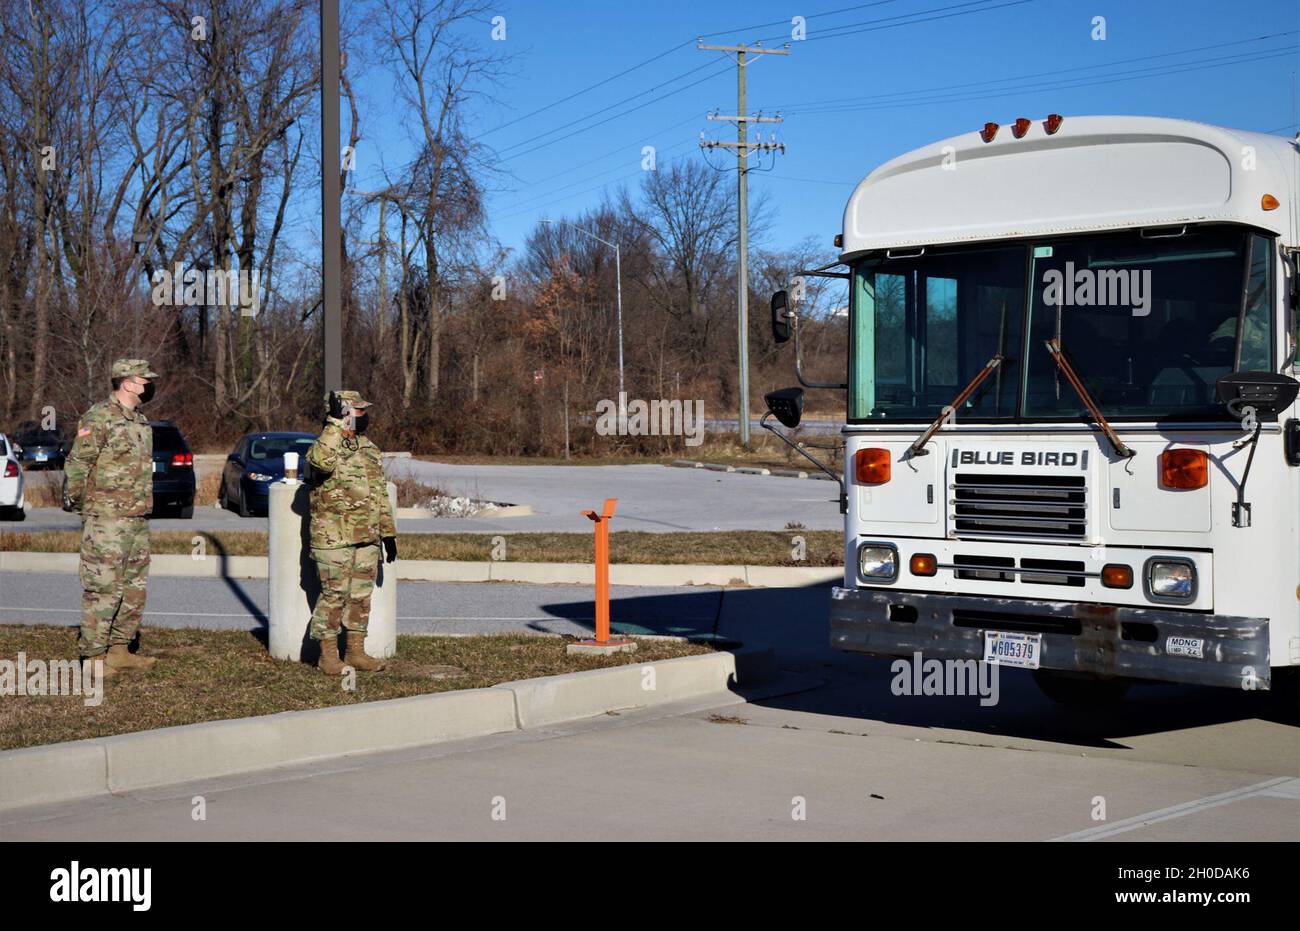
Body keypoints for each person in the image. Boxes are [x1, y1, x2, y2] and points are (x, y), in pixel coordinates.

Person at [63, 359, 160, 678]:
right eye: (146, 380)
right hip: (106, 519)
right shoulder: (99, 416)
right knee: (103, 587)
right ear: (129, 383)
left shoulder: (140, 421)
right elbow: (79, 463)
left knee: (134, 588)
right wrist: (83, 508)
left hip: (136, 518)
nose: (150, 386)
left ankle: (119, 650)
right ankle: (93, 658)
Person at [305, 390, 397, 674]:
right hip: (334, 538)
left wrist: (388, 533)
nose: (364, 415)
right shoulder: (323, 447)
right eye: (358, 411)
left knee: (360, 597)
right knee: (334, 596)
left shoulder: (368, 448)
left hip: (366, 538)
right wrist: (333, 423)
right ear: (343, 414)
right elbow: (320, 462)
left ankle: (355, 651)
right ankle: (328, 656)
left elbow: (379, 493)